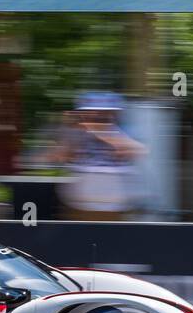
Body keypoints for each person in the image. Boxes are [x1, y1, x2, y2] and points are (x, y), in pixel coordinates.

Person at [48, 92, 145, 221]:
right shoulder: (76, 132)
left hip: (115, 199)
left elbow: (136, 151)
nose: (97, 115)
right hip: (80, 198)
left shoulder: (124, 130)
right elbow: (61, 156)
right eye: (91, 112)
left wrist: (101, 132)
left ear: (114, 114)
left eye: (103, 113)